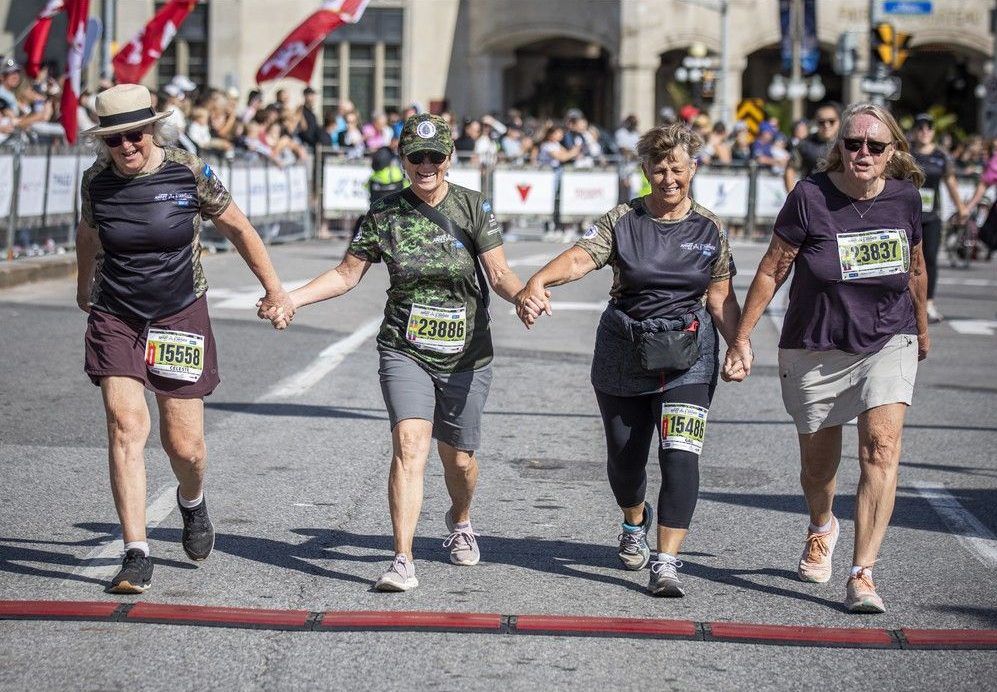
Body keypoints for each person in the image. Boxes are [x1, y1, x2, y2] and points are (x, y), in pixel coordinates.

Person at [268, 114, 528, 592]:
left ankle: (461, 519)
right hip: (404, 348)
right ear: (404, 160)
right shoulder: (386, 212)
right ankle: (402, 559)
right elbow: (347, 275)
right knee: (409, 445)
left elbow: (499, 274)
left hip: (467, 352)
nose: (425, 165)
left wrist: (525, 295)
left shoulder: (472, 207)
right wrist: (291, 298)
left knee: (461, 461)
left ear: (449, 159)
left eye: (434, 157)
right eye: (416, 157)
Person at [75, 84, 295, 594]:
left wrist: (274, 290)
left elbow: (239, 228)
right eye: (114, 140)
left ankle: (192, 503)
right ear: (102, 145)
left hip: (178, 313)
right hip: (117, 313)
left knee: (186, 446)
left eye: (134, 134)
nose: (126, 146)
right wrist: (83, 288)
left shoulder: (187, 170)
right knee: (126, 425)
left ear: (152, 128)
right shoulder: (96, 182)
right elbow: (88, 235)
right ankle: (136, 551)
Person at [515, 124, 741, 597]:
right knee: (625, 460)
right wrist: (539, 281)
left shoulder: (710, 228)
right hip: (624, 350)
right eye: (658, 169)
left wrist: (740, 343)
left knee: (681, 457)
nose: (668, 178)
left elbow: (720, 298)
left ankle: (667, 561)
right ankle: (634, 519)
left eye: (677, 168)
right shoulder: (623, 219)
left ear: (693, 169)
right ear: (644, 171)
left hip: (689, 358)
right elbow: (581, 258)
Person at [723, 103, 929, 614]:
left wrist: (921, 330)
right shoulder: (810, 196)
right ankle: (822, 524)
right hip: (815, 343)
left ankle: (863, 573)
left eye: (874, 147)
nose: (862, 153)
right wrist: (741, 337)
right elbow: (774, 268)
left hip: (888, 337)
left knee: (880, 449)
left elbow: (916, 268)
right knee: (819, 468)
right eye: (852, 144)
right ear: (839, 148)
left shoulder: (905, 198)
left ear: (892, 153)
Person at [910, 113, 967, 322]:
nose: (925, 131)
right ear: (914, 130)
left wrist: (961, 207)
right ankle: (907, 303)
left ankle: (929, 303)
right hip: (908, 215)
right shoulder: (906, 154)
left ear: (934, 131)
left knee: (930, 259)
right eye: (920, 127)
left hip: (932, 215)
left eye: (929, 127)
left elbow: (951, 182)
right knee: (908, 261)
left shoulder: (941, 156)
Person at [784, 102, 841, 191]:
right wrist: (792, 196)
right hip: (813, 197)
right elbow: (790, 170)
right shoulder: (804, 144)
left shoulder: (848, 143)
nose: (826, 125)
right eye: (821, 122)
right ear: (816, 122)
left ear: (839, 121)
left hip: (841, 198)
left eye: (831, 121)